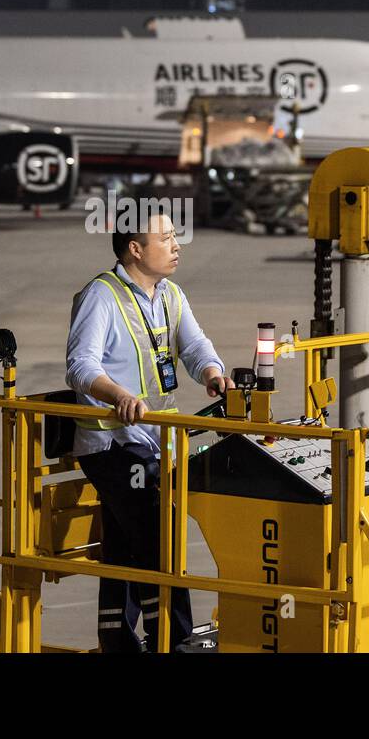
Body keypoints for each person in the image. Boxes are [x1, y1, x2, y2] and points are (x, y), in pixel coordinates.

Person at [65, 212, 228, 652]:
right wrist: (118, 394)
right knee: (159, 540)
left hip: (156, 442)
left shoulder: (170, 294)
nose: (176, 246)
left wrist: (212, 373)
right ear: (135, 249)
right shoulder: (102, 295)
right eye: (166, 238)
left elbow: (193, 346)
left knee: (124, 545)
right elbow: (81, 365)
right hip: (111, 444)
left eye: (176, 237)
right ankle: (173, 640)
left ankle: (116, 638)